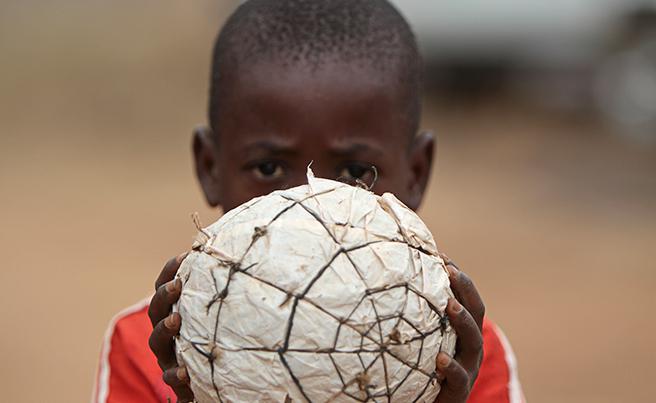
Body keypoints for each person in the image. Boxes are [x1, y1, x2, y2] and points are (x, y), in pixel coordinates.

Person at [92, 1, 524, 402]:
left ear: (416, 175)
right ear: (210, 168)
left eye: (356, 173)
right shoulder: (148, 349)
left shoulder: (466, 359)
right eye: (268, 169)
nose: (309, 210)